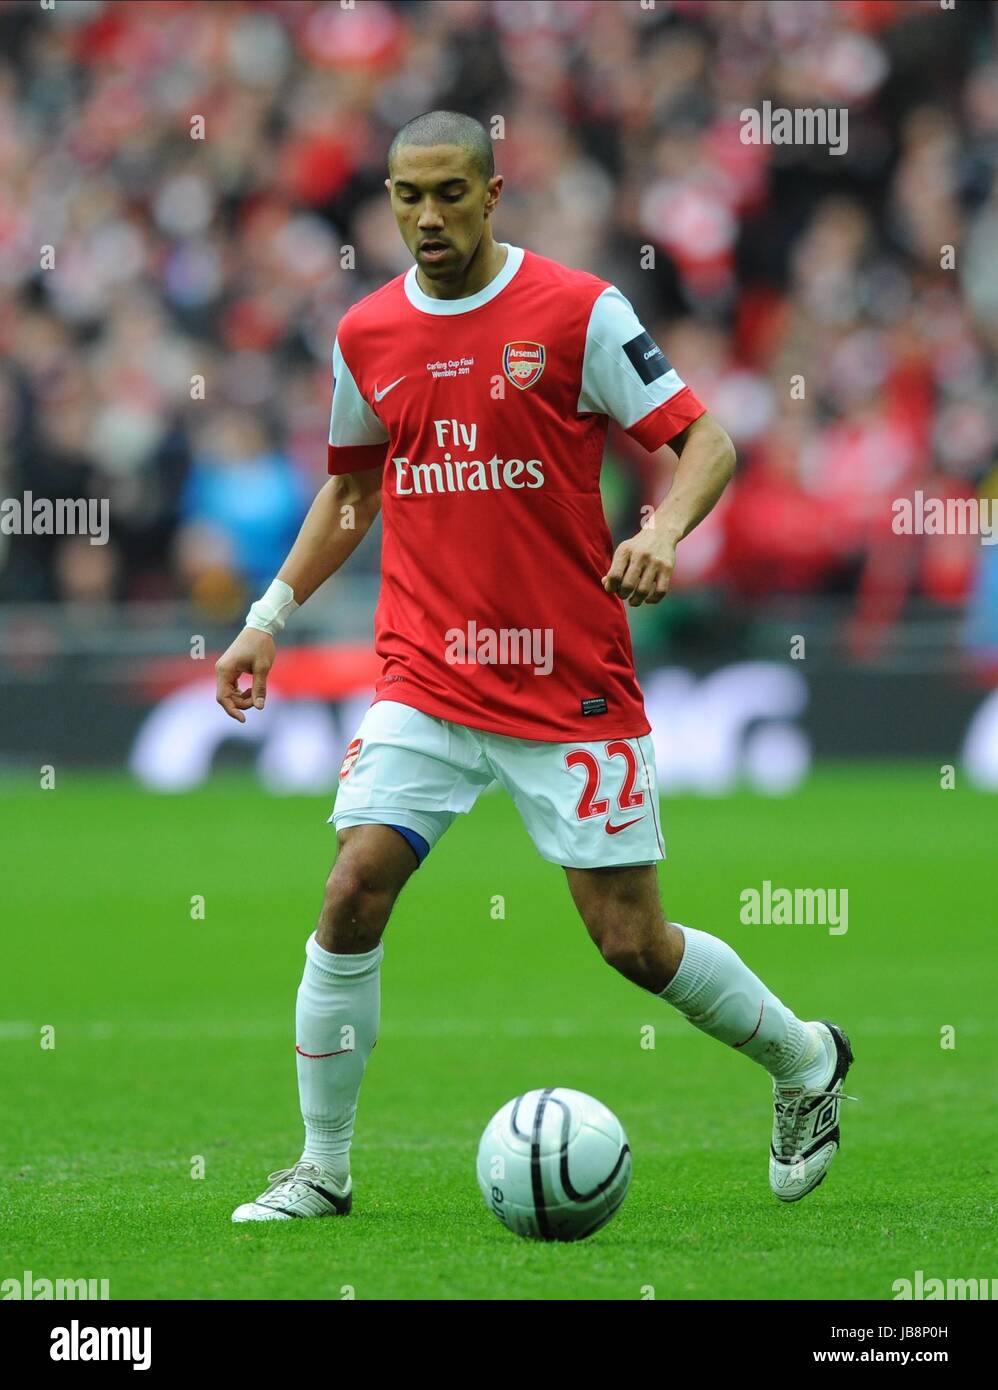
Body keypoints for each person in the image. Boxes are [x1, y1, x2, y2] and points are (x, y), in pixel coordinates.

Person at [216, 111, 853, 1224]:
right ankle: (322, 1166)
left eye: (449, 193)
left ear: (493, 193)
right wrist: (267, 615)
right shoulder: (366, 333)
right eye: (406, 195)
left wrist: (660, 533)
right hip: (425, 671)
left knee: (631, 943)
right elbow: (355, 490)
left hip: (568, 681)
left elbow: (705, 441)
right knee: (352, 888)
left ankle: (802, 1061)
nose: (425, 216)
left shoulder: (575, 312)